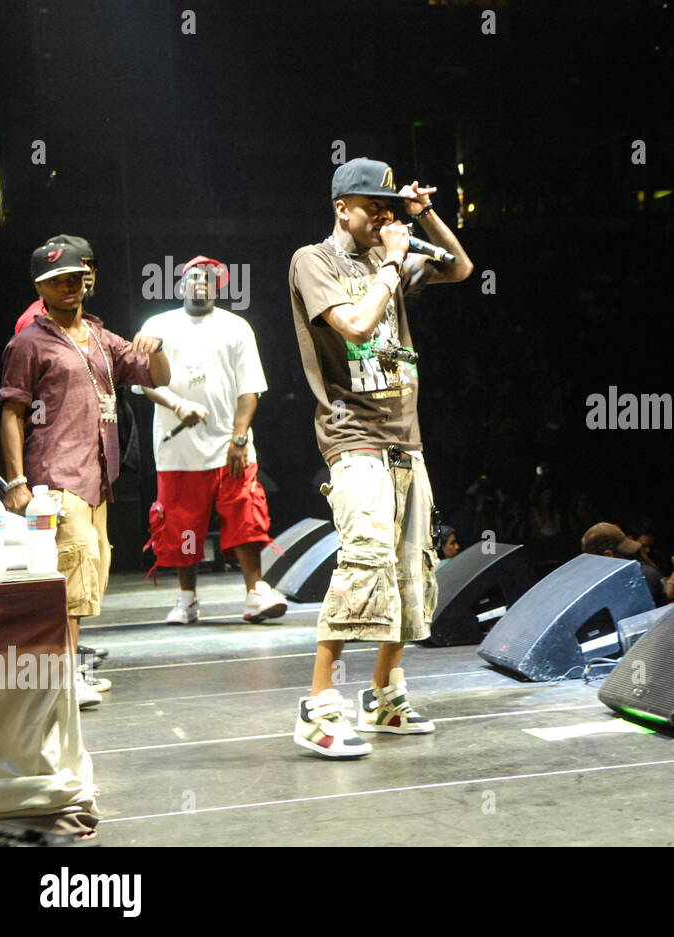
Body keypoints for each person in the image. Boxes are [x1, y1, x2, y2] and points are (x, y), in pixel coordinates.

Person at [289, 157, 472, 758]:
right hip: (352, 436)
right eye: (375, 208)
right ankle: (318, 707)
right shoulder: (313, 262)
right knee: (363, 560)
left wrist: (426, 216)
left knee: (410, 571)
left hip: (405, 437)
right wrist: (392, 262)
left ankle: (383, 697)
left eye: (392, 208)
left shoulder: (385, 258)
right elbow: (360, 328)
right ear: (343, 207)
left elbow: (462, 268)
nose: (385, 218)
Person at [0, 241, 170, 708]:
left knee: (89, 577)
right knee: (70, 578)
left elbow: (158, 377)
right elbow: (12, 413)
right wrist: (15, 483)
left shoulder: (98, 335)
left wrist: (156, 349)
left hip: (97, 477)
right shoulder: (29, 342)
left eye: (75, 277)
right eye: (58, 281)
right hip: (57, 476)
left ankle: (70, 670)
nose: (70, 286)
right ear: (40, 288)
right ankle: (64, 676)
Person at [134, 255, 286, 624]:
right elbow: (144, 383)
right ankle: (187, 598)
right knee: (184, 525)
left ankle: (255, 593)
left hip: (229, 444)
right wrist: (178, 403)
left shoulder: (237, 327)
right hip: (178, 448)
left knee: (246, 513)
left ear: (219, 287)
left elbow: (250, 388)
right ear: (180, 285)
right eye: (194, 278)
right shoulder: (158, 326)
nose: (201, 283)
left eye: (210, 279)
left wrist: (239, 437)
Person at [582, 522, 664, 604]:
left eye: (593, 560)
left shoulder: (641, 577)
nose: (591, 566)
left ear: (608, 555)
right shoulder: (640, 574)